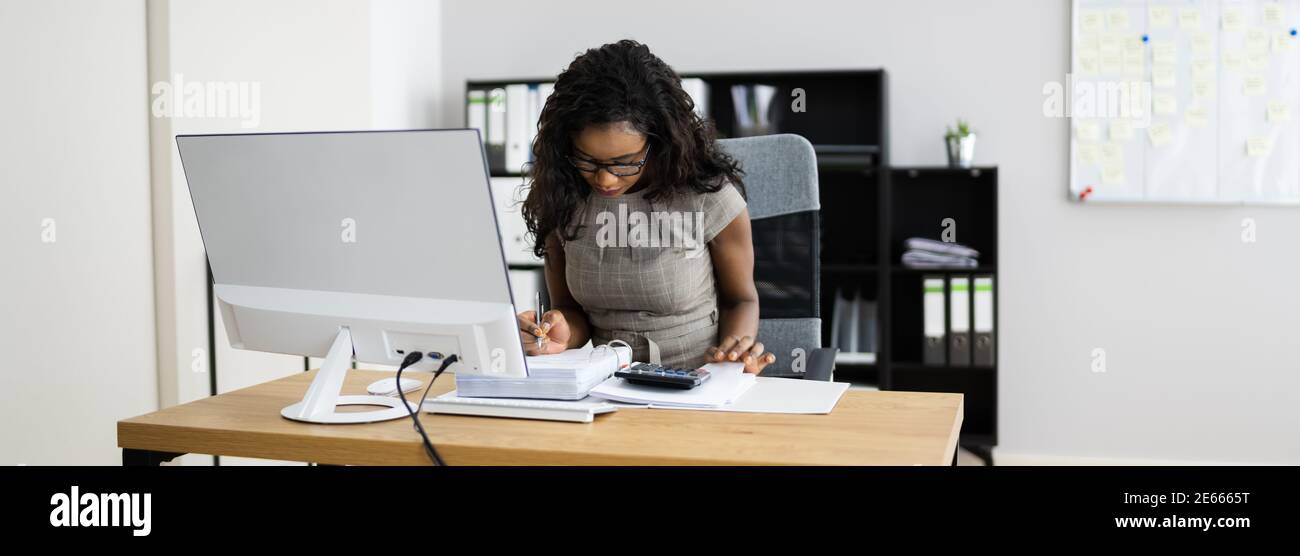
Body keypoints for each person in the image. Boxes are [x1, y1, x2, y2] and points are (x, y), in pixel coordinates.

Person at [517, 39, 777, 374]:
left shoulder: (706, 195)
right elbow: (570, 308)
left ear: (659, 142)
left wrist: (733, 352)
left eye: (624, 162)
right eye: (587, 159)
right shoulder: (563, 194)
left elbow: (740, 299)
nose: (605, 179)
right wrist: (560, 332)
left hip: (697, 384)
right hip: (608, 385)